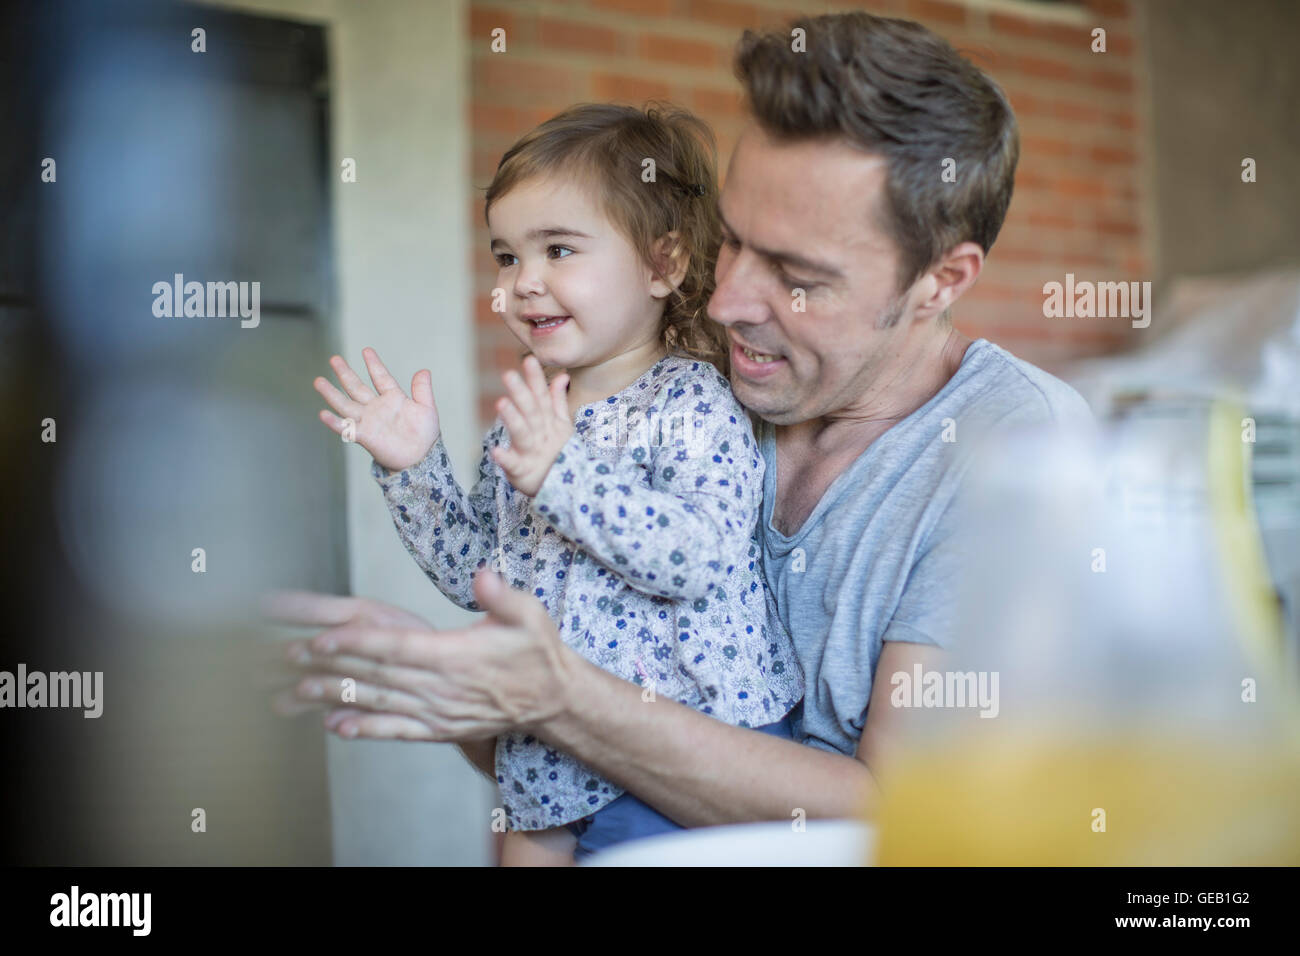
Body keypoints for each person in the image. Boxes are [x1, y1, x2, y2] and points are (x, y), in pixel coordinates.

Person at [273, 11, 1092, 846]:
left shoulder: (1016, 455)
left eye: (797, 274)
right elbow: (571, 742)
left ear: (941, 280)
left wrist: (555, 697)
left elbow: (900, 817)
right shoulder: (700, 392)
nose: (725, 298)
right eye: (732, 241)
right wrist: (451, 678)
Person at [308, 103, 803, 865]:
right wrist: (413, 469)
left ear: (662, 264)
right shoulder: (527, 417)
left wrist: (565, 475)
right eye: (506, 257)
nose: (524, 284)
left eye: (560, 250)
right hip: (549, 760)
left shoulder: (689, 399)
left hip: (678, 762)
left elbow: (697, 556)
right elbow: (481, 578)